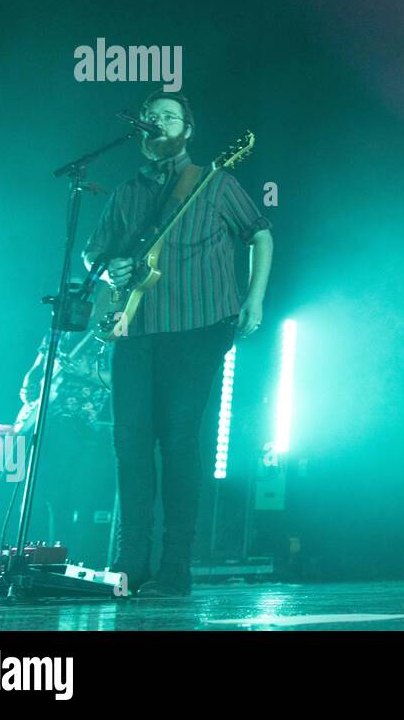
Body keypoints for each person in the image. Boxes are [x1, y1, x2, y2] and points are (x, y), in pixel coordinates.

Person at [83, 90, 273, 597]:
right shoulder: (126, 192)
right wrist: (111, 270)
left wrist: (253, 300)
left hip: (199, 323)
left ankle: (176, 565)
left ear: (187, 129)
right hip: (136, 327)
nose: (157, 122)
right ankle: (131, 561)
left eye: (169, 116)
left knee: (180, 440)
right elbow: (94, 256)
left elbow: (260, 234)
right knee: (129, 444)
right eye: (150, 117)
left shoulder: (214, 182)